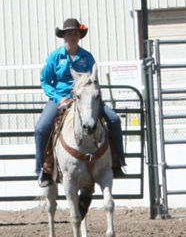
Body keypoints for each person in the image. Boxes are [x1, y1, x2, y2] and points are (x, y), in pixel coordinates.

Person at [34, 17, 127, 187]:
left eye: (75, 33)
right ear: (64, 36)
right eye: (69, 33)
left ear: (79, 36)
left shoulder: (87, 57)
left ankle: (117, 161)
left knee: (114, 119)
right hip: (61, 97)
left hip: (86, 98)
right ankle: (42, 169)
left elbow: (94, 79)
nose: (72, 36)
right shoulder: (55, 57)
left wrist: (92, 94)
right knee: (41, 128)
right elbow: (45, 81)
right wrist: (58, 98)